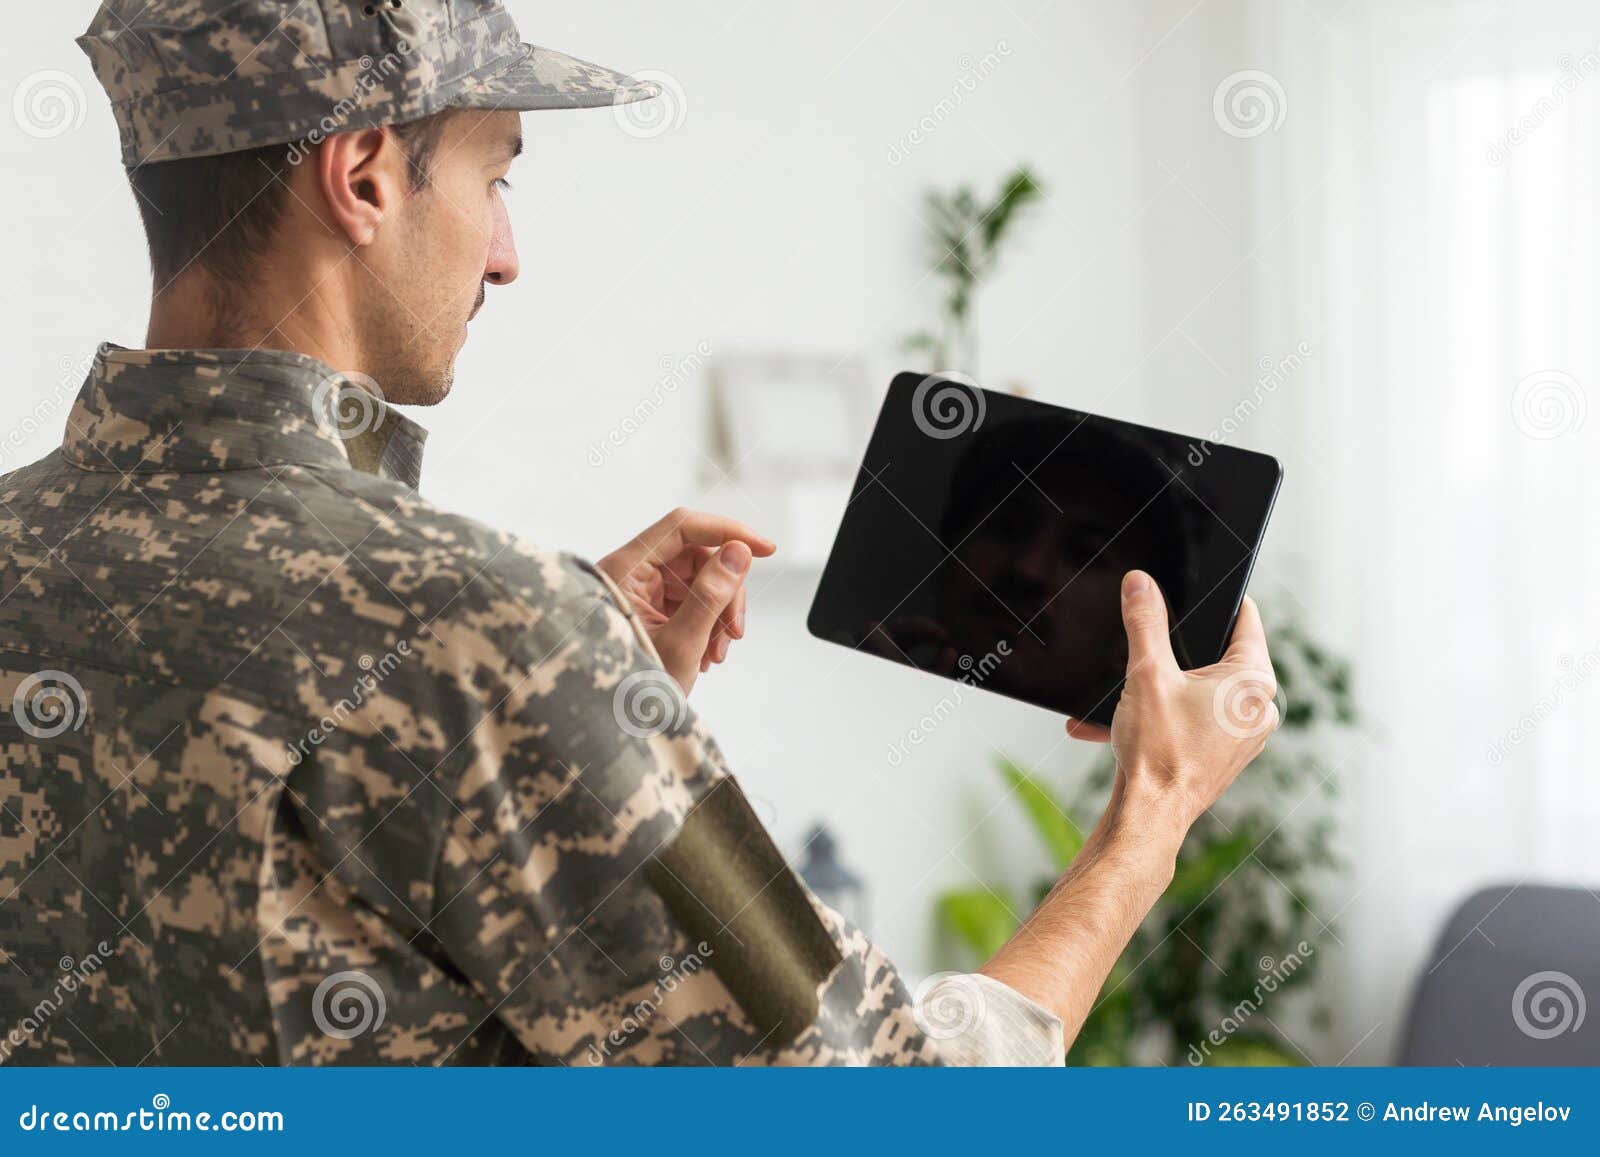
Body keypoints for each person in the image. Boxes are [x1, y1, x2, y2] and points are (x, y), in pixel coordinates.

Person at [0, 0, 1279, 1066]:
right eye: (497, 176)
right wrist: (1150, 814)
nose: (506, 256)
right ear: (367, 174)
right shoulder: (484, 628)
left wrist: (567, 697)